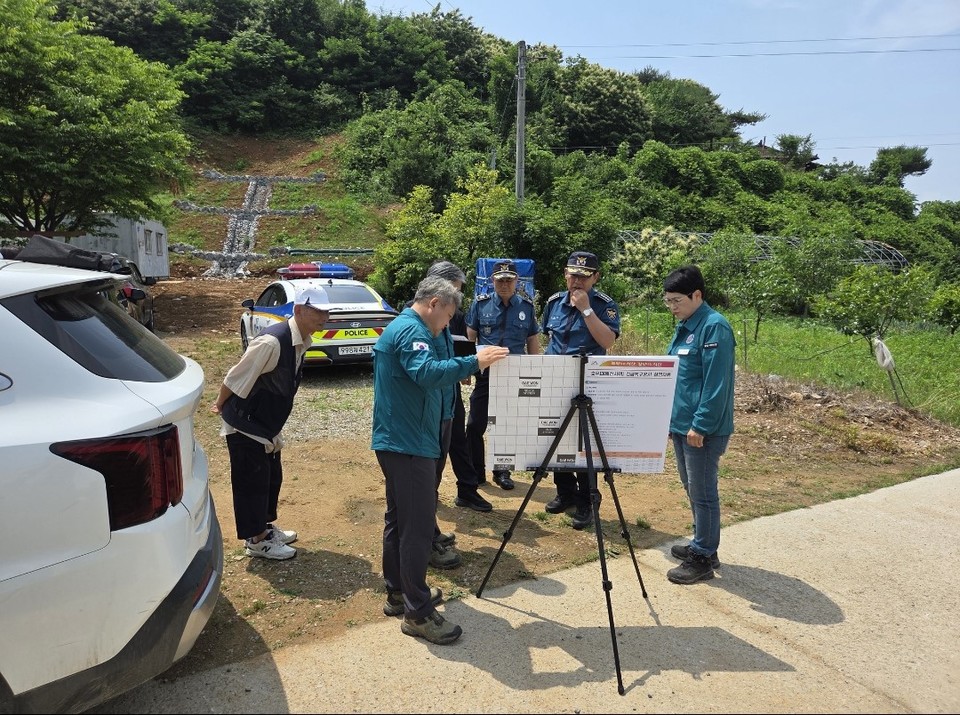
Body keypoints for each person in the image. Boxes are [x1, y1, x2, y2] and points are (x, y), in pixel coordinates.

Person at [372, 275, 508, 645]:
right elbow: (428, 373)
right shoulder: (411, 331)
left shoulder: (410, 327)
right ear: (434, 303)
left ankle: (399, 592)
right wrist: (474, 363)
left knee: (400, 520)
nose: (449, 323)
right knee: (415, 528)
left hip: (404, 439)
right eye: (448, 315)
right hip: (409, 444)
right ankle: (416, 612)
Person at [212, 287, 332, 560]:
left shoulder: (302, 339)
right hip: (246, 422)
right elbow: (235, 377)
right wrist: (220, 403)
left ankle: (264, 529)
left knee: (270, 478)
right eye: (319, 312)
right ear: (299, 310)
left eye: (327, 312)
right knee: (251, 481)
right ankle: (256, 541)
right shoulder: (272, 342)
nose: (324, 318)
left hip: (266, 422)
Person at [662, 264, 736, 585]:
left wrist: (701, 425)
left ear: (697, 295)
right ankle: (702, 542)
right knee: (692, 487)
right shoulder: (687, 324)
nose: (672, 307)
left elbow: (715, 385)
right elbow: (680, 378)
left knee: (703, 492)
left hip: (702, 430)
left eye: (677, 300)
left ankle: (703, 557)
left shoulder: (714, 327)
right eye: (667, 301)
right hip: (682, 426)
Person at [540, 251, 620, 530]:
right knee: (555, 438)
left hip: (586, 383)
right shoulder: (553, 303)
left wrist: (586, 309)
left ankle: (588, 499)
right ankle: (565, 492)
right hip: (554, 380)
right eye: (573, 275)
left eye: (584, 277)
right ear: (565, 274)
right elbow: (547, 338)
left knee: (583, 445)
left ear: (595, 278)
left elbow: (607, 341)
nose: (577, 281)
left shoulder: (604, 305)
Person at [465, 259, 541, 491]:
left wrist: (536, 371)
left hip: (514, 377)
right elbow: (470, 337)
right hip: (487, 376)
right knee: (475, 425)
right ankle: (476, 473)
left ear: (517, 281)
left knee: (506, 427)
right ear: (492, 281)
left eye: (509, 280)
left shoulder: (526, 308)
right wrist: (466, 368)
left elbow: (532, 341)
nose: (505, 284)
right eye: (500, 280)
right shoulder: (480, 304)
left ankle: (502, 471)